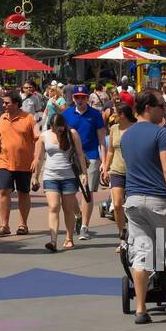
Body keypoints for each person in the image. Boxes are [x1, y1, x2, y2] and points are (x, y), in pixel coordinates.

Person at [120, 91, 166, 324]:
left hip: (134, 199)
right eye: (162, 106)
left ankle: (140, 309)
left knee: (140, 253)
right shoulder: (161, 133)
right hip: (159, 199)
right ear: (149, 107)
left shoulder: (126, 136)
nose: (165, 110)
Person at [33, 110, 85, 252]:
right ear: (51, 125)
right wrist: (35, 177)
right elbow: (38, 158)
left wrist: (84, 174)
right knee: (54, 206)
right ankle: (53, 241)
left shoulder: (72, 134)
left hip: (69, 177)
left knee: (67, 208)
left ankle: (69, 238)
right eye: (55, 128)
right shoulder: (44, 136)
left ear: (64, 125)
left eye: (60, 127)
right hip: (50, 176)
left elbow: (80, 155)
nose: (58, 131)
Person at [63, 85, 106, 240]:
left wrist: (104, 162)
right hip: (71, 157)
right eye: (77, 97)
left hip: (91, 156)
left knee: (87, 192)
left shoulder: (95, 114)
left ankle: (84, 227)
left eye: (83, 97)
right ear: (73, 98)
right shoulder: (66, 114)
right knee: (69, 192)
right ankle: (77, 214)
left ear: (88, 98)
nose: (80, 100)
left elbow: (102, 139)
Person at [0, 89, 38, 236]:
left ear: (16, 103)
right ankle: (4, 225)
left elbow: (38, 139)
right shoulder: (2, 118)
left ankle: (23, 225)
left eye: (6, 103)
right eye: (3, 103)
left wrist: (36, 159)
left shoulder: (28, 118)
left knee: (23, 193)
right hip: (4, 161)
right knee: (3, 191)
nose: (3, 105)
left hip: (24, 163)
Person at [101, 101, 135, 237]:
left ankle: (134, 234)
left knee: (134, 207)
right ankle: (122, 234)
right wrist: (105, 168)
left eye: (115, 113)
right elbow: (110, 151)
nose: (112, 116)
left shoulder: (135, 127)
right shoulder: (114, 129)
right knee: (117, 204)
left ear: (123, 115)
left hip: (134, 172)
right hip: (117, 171)